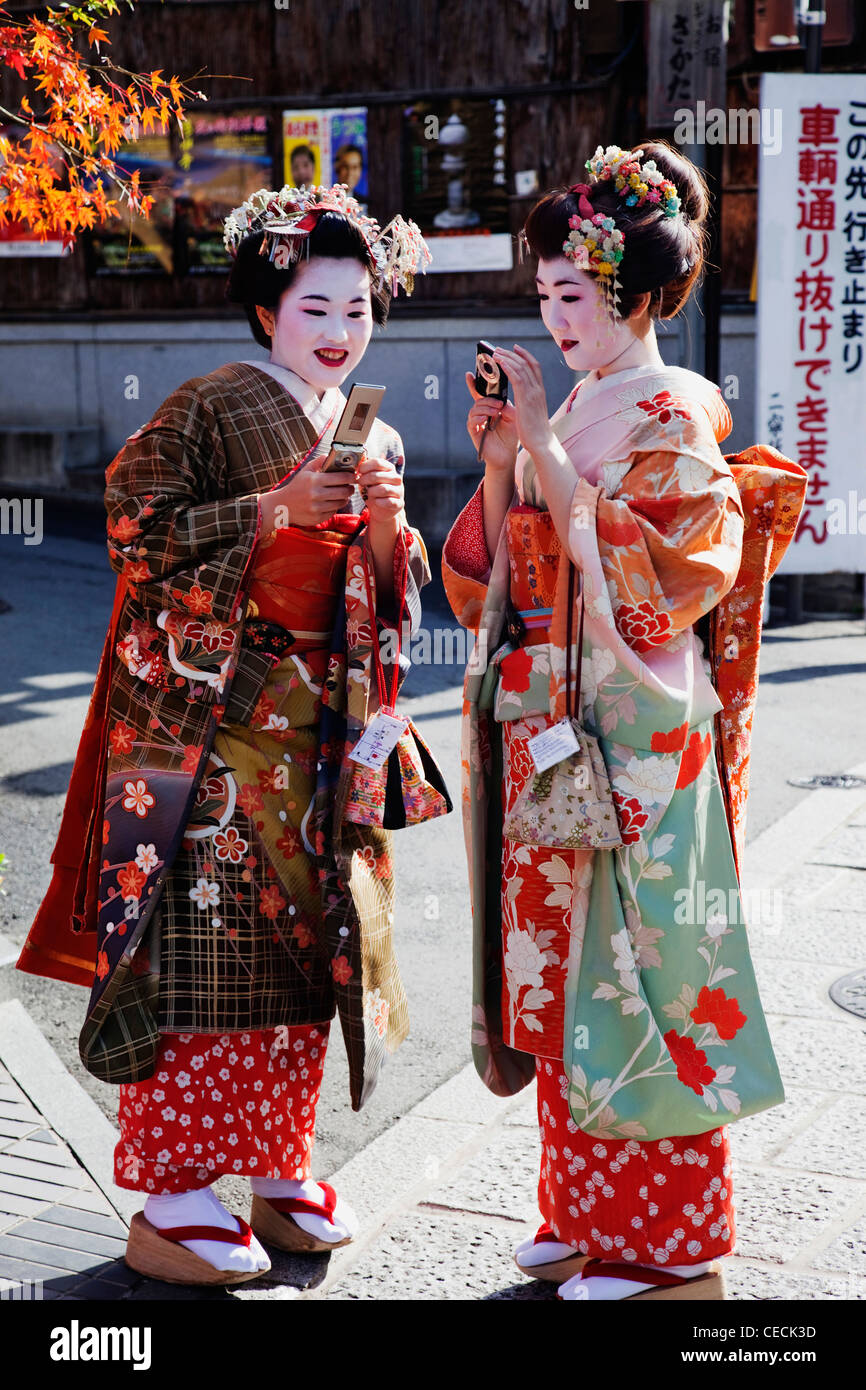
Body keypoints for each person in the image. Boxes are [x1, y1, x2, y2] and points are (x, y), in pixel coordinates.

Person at [18, 181, 435, 1286]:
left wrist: (390, 532)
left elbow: (393, 601)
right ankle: (172, 1190)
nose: (340, 333)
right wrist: (271, 513)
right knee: (202, 956)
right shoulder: (211, 404)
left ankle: (277, 1165)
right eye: (315, 309)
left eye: (356, 310)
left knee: (310, 957)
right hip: (213, 736)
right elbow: (132, 527)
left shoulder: (374, 429)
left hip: (318, 742)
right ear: (265, 311)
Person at [442, 142, 805, 1302]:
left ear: (639, 297)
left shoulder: (674, 412)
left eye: (572, 295)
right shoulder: (592, 400)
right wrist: (505, 465)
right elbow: (490, 568)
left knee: (639, 969)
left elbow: (668, 588)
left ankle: (669, 1242)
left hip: (639, 733)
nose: (552, 317)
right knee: (561, 966)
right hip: (558, 719)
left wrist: (543, 447)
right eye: (543, 293)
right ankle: (581, 1209)